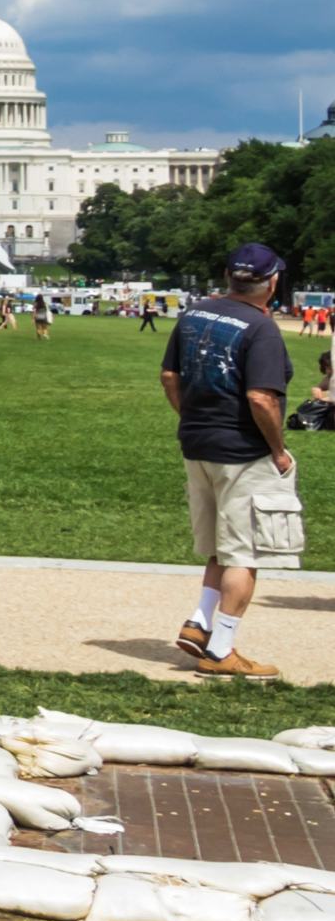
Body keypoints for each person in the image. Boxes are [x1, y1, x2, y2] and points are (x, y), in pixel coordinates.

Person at [166, 243, 305, 679]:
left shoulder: (195, 312)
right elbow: (261, 396)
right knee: (244, 553)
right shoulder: (259, 328)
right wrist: (278, 448)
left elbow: (170, 375)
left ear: (229, 275)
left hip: (198, 443)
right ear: (272, 282)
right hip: (242, 450)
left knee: (219, 547)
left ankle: (201, 624)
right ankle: (222, 650)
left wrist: (192, 416)